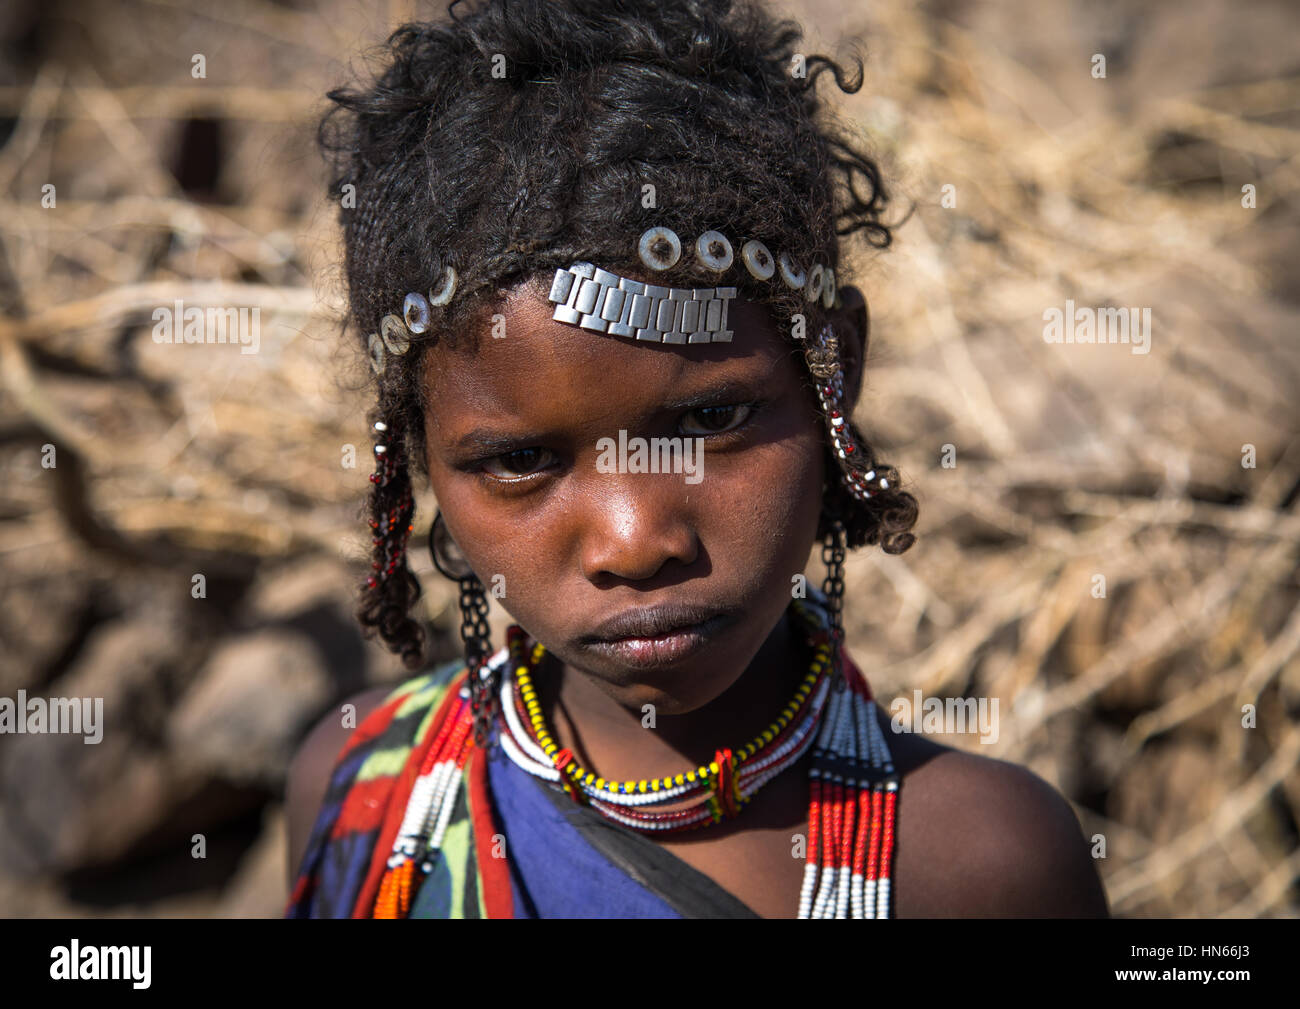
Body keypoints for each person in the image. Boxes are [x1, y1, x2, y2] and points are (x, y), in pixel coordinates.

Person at [284, 0, 1109, 918]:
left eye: (711, 416)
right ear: (418, 461)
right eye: (520, 459)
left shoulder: (979, 865)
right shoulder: (364, 790)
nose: (635, 541)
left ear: (833, 369)